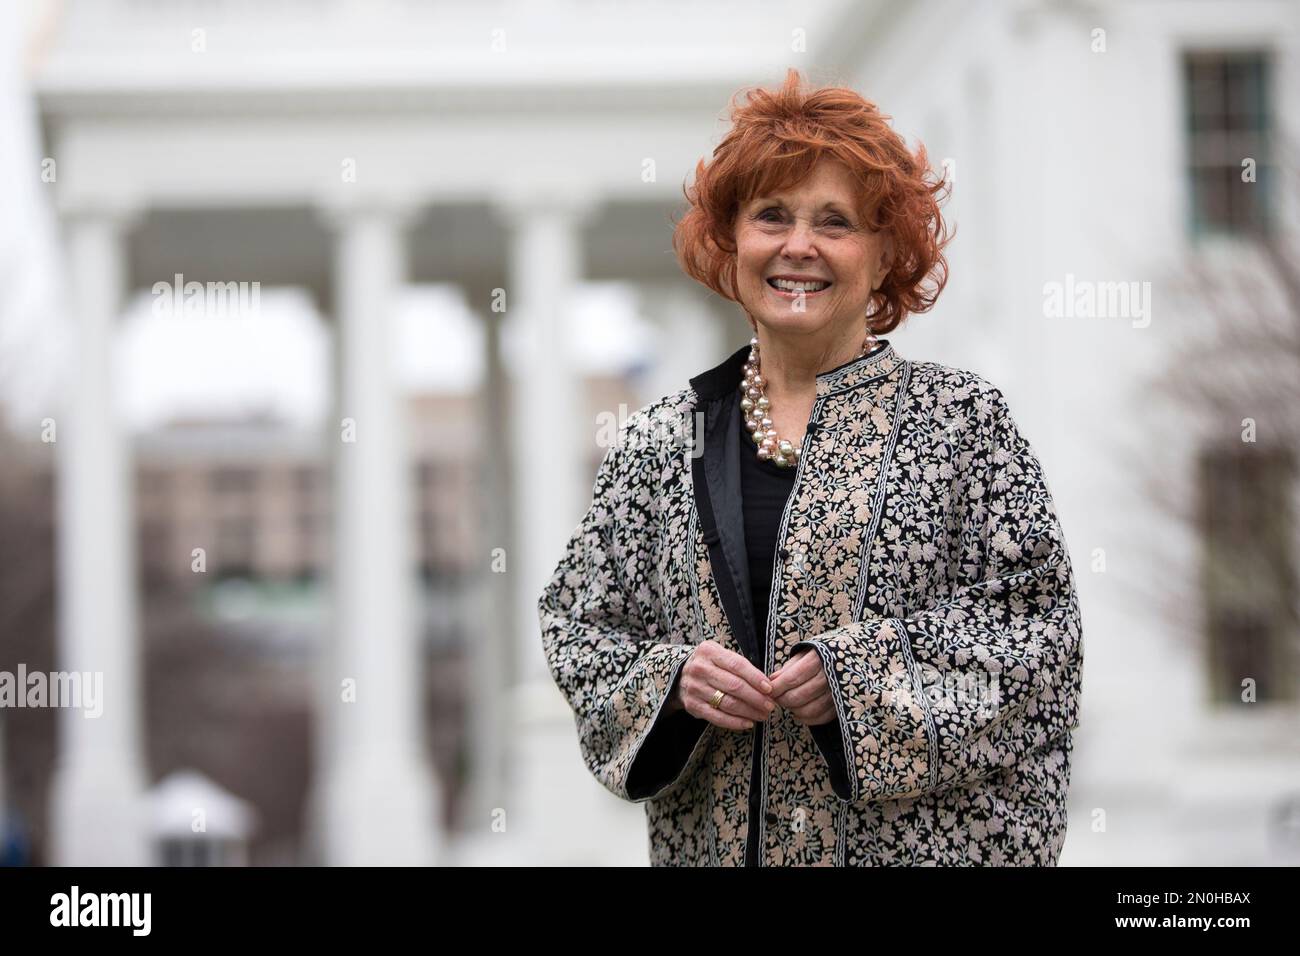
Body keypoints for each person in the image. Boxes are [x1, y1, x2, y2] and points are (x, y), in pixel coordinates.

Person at [538, 68, 1083, 866]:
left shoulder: (964, 425)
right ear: (732, 241)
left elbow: (1039, 639)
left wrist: (861, 683)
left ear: (884, 249)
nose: (799, 246)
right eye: (772, 217)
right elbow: (579, 625)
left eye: (835, 221)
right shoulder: (662, 442)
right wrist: (674, 682)